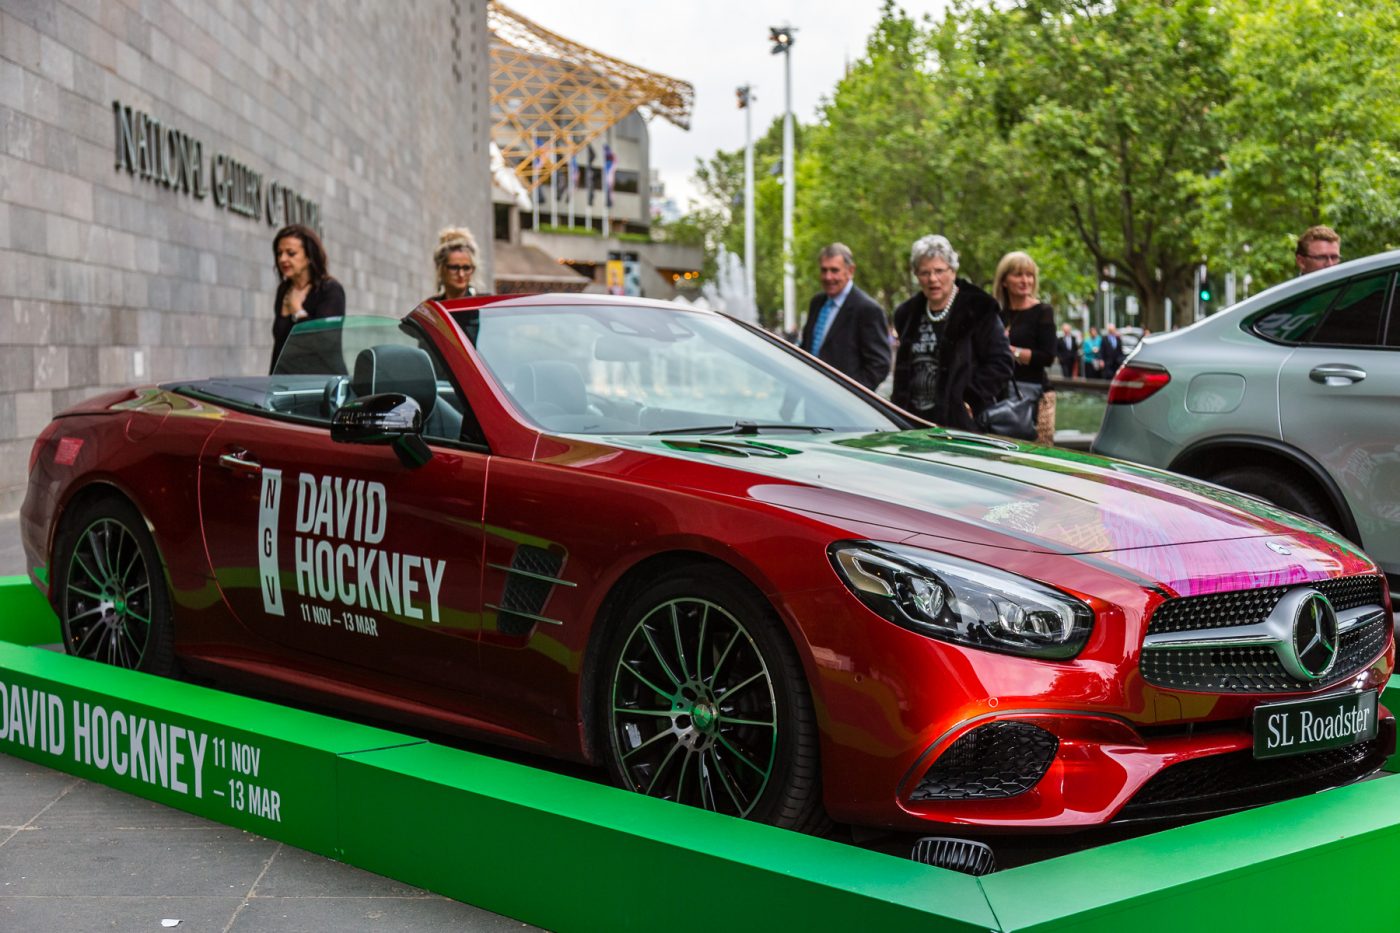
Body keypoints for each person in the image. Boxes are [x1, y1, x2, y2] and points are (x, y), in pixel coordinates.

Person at [891, 235, 1012, 431]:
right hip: (913, 424)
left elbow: (1001, 362)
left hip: (963, 425)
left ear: (953, 271)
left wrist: (970, 399)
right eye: (924, 272)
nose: (932, 279)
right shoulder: (906, 313)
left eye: (939, 271)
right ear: (916, 275)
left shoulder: (978, 308)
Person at [799, 243, 891, 391]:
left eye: (834, 270)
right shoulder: (817, 303)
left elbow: (879, 365)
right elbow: (806, 349)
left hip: (844, 406)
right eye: (824, 270)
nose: (828, 277)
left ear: (850, 270)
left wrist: (851, 395)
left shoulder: (867, 309)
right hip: (812, 398)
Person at [994, 251, 1057, 446]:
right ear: (1004, 281)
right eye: (1018, 275)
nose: (1025, 280)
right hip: (998, 392)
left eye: (1029, 275)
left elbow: (1047, 356)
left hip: (1032, 394)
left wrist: (1011, 351)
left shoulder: (1042, 312)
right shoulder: (996, 314)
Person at [270, 224, 345, 373]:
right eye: (279, 253)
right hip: (287, 380)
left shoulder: (330, 290)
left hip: (322, 381)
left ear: (309, 256)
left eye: (291, 253)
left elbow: (324, 342)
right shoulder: (284, 290)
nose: (282, 259)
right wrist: (272, 380)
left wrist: (297, 311)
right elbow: (280, 343)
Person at [430, 226, 481, 300]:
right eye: (454, 267)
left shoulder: (484, 305)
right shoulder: (432, 308)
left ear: (473, 269)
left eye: (466, 268)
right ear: (441, 268)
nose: (461, 274)